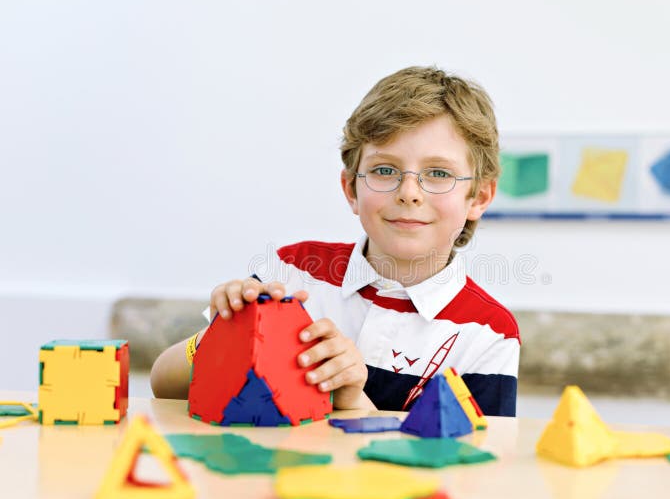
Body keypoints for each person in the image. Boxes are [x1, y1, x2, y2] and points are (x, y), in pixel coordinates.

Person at [150, 66, 520, 416]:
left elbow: (472, 471)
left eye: (438, 173)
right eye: (384, 170)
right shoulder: (293, 273)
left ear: (479, 198)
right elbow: (163, 385)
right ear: (351, 189)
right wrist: (218, 336)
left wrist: (352, 400)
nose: (409, 193)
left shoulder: (489, 333)